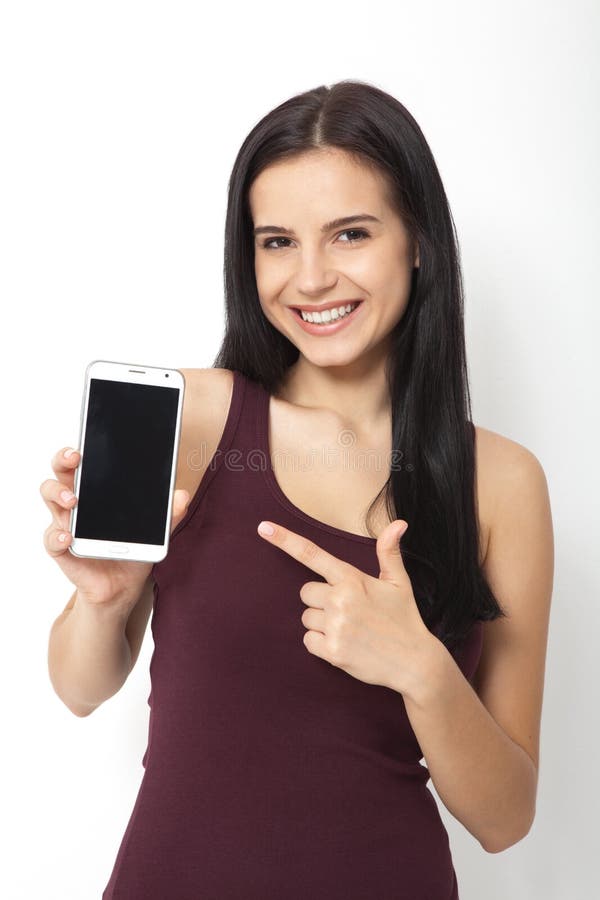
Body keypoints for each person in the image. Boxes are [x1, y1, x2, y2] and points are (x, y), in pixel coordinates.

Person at [43, 79, 554, 899]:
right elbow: (77, 689)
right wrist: (104, 602)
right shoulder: (195, 418)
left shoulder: (502, 482)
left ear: (417, 240)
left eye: (349, 234)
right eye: (276, 241)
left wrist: (419, 667)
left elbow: (506, 818)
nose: (310, 278)